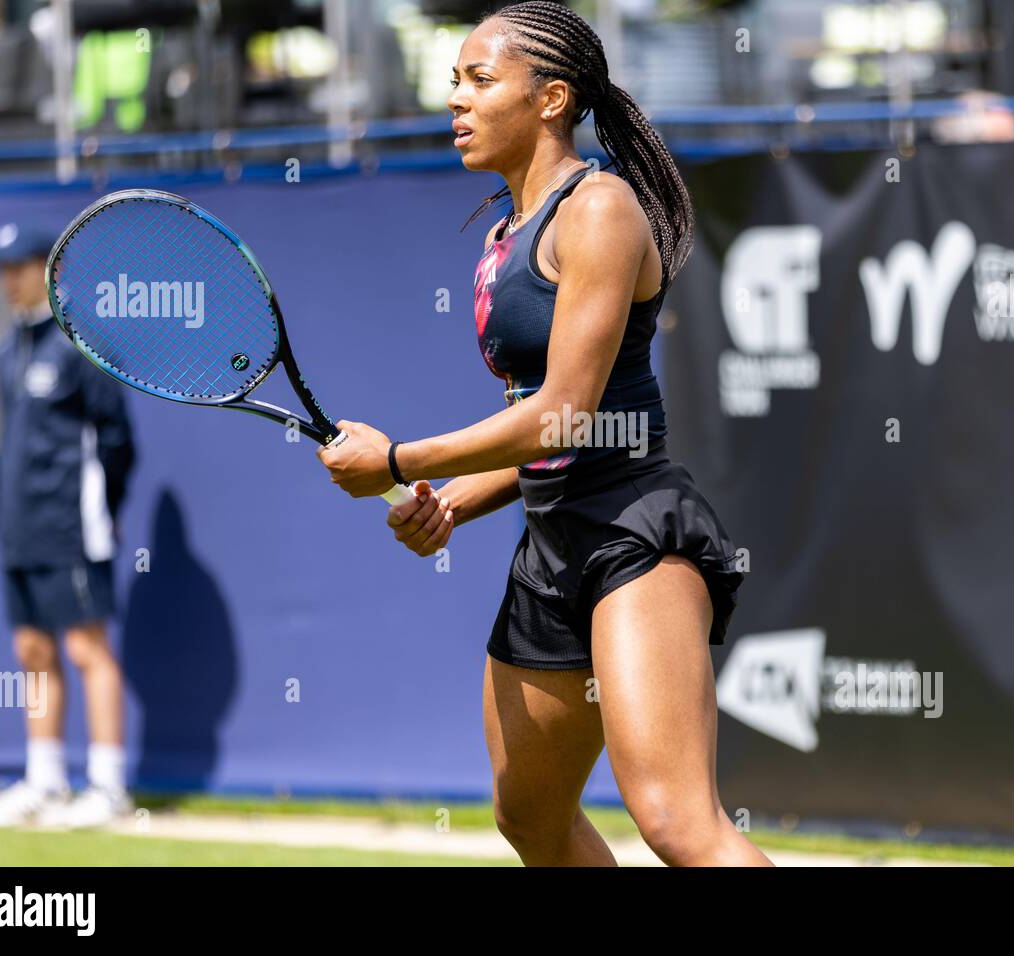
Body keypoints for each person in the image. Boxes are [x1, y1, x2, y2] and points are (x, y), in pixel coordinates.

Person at [317, 1, 771, 866]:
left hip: (634, 537)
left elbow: (562, 407)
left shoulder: (598, 210)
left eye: (479, 80)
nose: (455, 99)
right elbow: (548, 434)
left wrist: (400, 458)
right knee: (528, 814)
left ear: (553, 97)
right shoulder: (500, 237)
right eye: (454, 80)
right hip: (552, 542)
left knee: (677, 824)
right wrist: (452, 503)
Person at [0, 222, 136, 829]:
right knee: (31, 648)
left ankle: (109, 787)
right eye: (2, 269)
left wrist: (102, 512)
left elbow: (117, 441)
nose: (8, 280)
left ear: (50, 269)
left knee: (86, 647)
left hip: (72, 524)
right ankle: (45, 783)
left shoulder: (83, 342)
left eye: (19, 267)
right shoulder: (6, 348)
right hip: (21, 525)